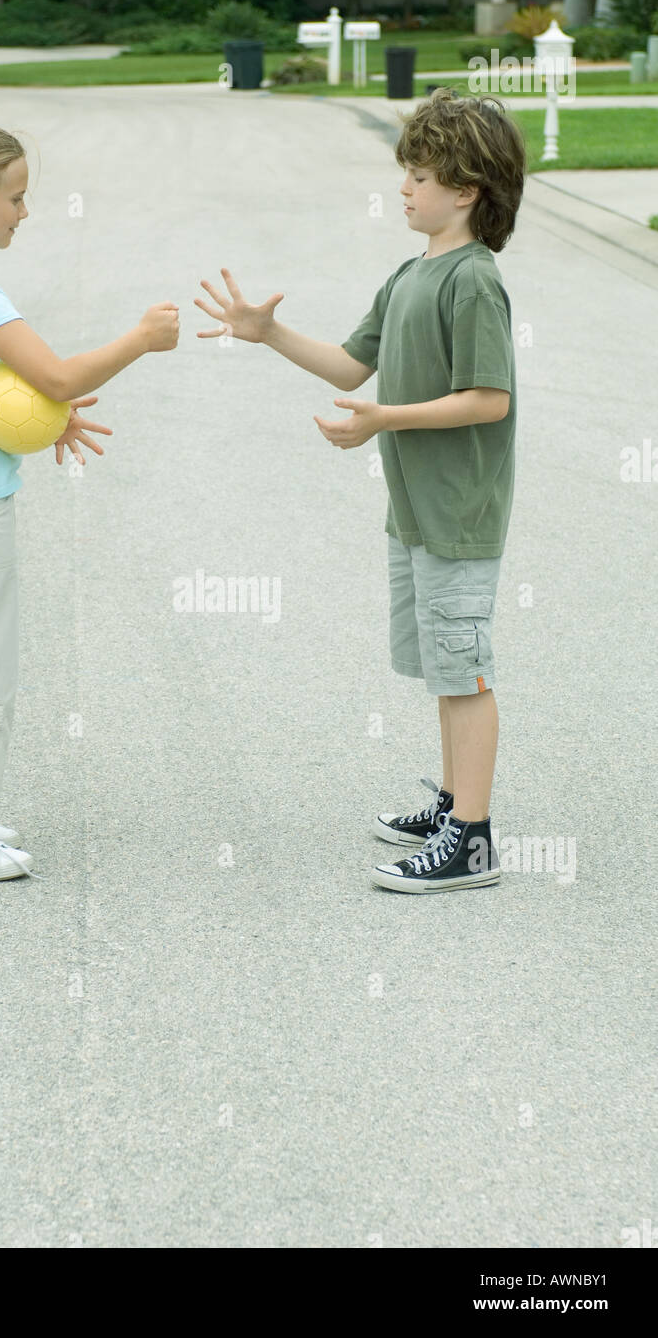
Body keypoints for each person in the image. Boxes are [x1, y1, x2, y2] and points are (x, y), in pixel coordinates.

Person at [195, 89, 525, 893]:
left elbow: (489, 399)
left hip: (456, 515)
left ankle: (472, 841)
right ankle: (454, 804)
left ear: (467, 189)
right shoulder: (412, 272)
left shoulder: (472, 281)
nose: (404, 189)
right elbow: (350, 365)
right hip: (415, 514)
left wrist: (385, 421)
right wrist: (266, 332)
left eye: (419, 174)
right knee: (441, 670)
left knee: (464, 672)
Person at [0, 122, 179, 881]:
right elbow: (51, 375)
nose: (24, 212)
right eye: (16, 198)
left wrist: (47, 416)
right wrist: (141, 339)